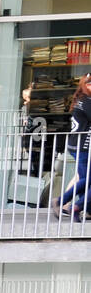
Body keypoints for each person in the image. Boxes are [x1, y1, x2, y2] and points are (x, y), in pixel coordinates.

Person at [56, 72, 91, 222]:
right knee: (86, 179)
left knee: (85, 179)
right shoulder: (87, 101)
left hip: (78, 145)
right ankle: (70, 204)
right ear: (88, 85)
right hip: (82, 145)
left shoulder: (82, 100)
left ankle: (77, 207)